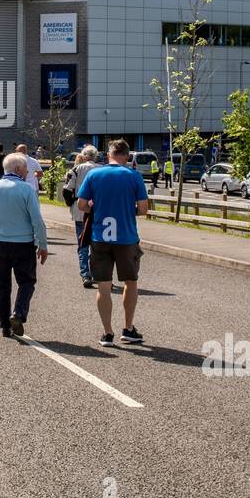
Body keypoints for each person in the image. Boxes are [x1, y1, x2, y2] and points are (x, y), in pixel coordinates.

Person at [78, 139, 149, 347]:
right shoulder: (134, 176)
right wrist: (129, 210)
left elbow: (82, 204)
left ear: (108, 155)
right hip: (126, 238)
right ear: (127, 156)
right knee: (130, 282)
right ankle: (127, 328)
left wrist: (96, 208)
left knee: (104, 286)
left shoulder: (94, 175)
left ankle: (107, 333)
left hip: (100, 237)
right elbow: (143, 209)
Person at [0, 154, 48, 338]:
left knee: (1, 284)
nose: (28, 171)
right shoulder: (27, 190)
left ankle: (4, 325)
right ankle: (18, 313)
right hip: (23, 243)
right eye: (26, 168)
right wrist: (42, 245)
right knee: (26, 281)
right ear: (18, 169)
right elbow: (37, 221)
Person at [70, 146, 106, 289]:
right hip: (99, 211)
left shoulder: (76, 169)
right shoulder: (103, 170)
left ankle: (85, 274)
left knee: (82, 244)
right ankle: (97, 274)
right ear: (96, 156)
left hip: (80, 211)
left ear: (84, 156)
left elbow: (68, 189)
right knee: (97, 245)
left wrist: (71, 204)